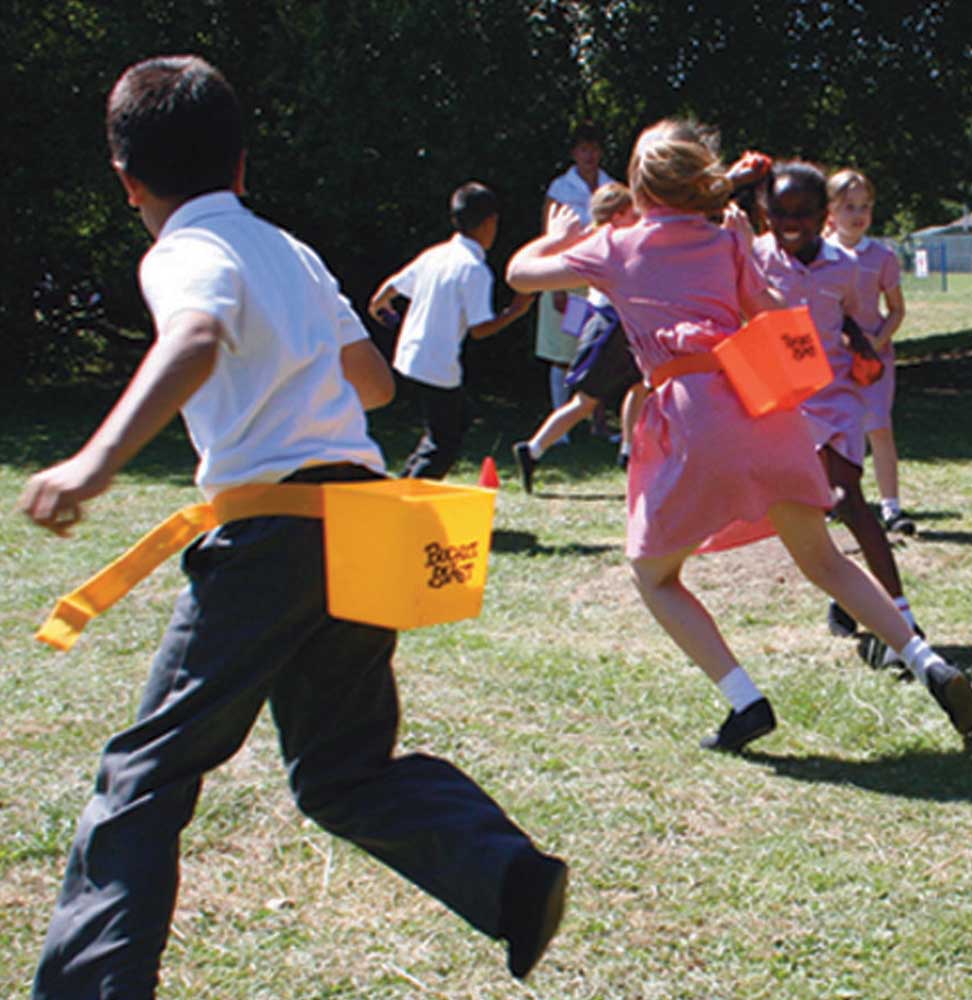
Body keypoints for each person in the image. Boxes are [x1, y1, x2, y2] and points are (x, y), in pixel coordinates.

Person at [19, 55, 566, 998]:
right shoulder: (288, 249)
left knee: (144, 775)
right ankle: (505, 874)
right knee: (343, 769)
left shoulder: (183, 250)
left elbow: (193, 337)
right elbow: (376, 384)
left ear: (127, 181)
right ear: (242, 164)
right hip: (355, 526)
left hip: (268, 536)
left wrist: (93, 461)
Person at [506, 118, 972, 752]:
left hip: (692, 417)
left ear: (641, 189)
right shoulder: (727, 237)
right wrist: (734, 239)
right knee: (823, 559)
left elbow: (518, 273)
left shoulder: (616, 247)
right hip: (763, 408)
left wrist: (567, 234)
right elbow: (766, 314)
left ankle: (744, 700)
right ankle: (926, 660)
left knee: (653, 575)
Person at [750, 162, 924, 664]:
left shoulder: (844, 267)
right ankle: (846, 598)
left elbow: (846, 315)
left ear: (822, 215)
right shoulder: (757, 257)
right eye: (780, 213)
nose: (791, 223)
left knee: (849, 498)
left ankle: (903, 618)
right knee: (812, 504)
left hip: (834, 396)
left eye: (803, 214)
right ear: (766, 214)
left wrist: (863, 347)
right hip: (783, 402)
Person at [368, 182, 534, 479]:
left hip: (410, 353)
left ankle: (405, 487)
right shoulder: (473, 269)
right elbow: (480, 329)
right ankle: (408, 498)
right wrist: (515, 311)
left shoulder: (436, 254)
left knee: (456, 418)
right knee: (443, 444)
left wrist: (381, 307)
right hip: (437, 363)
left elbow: (388, 290)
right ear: (490, 222)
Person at [513, 181, 645, 492]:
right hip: (608, 326)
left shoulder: (611, 236)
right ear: (617, 216)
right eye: (632, 213)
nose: (638, 218)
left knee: (641, 385)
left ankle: (628, 452)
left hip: (624, 323)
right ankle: (532, 450)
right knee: (586, 401)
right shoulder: (605, 240)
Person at [826, 168, 912, 534]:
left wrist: (875, 344)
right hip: (833, 356)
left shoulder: (881, 256)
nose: (857, 214)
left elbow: (896, 310)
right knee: (833, 431)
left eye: (864, 206)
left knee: (878, 427)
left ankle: (891, 507)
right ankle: (837, 499)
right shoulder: (820, 254)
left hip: (873, 360)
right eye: (848, 206)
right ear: (830, 210)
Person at [534, 121, 617, 438]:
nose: (590, 155)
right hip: (565, 274)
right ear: (574, 152)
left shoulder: (610, 187)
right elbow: (549, 236)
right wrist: (555, 284)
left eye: (594, 148)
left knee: (596, 350)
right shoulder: (560, 188)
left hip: (598, 279)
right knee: (562, 351)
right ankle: (560, 427)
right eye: (584, 148)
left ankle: (598, 424)